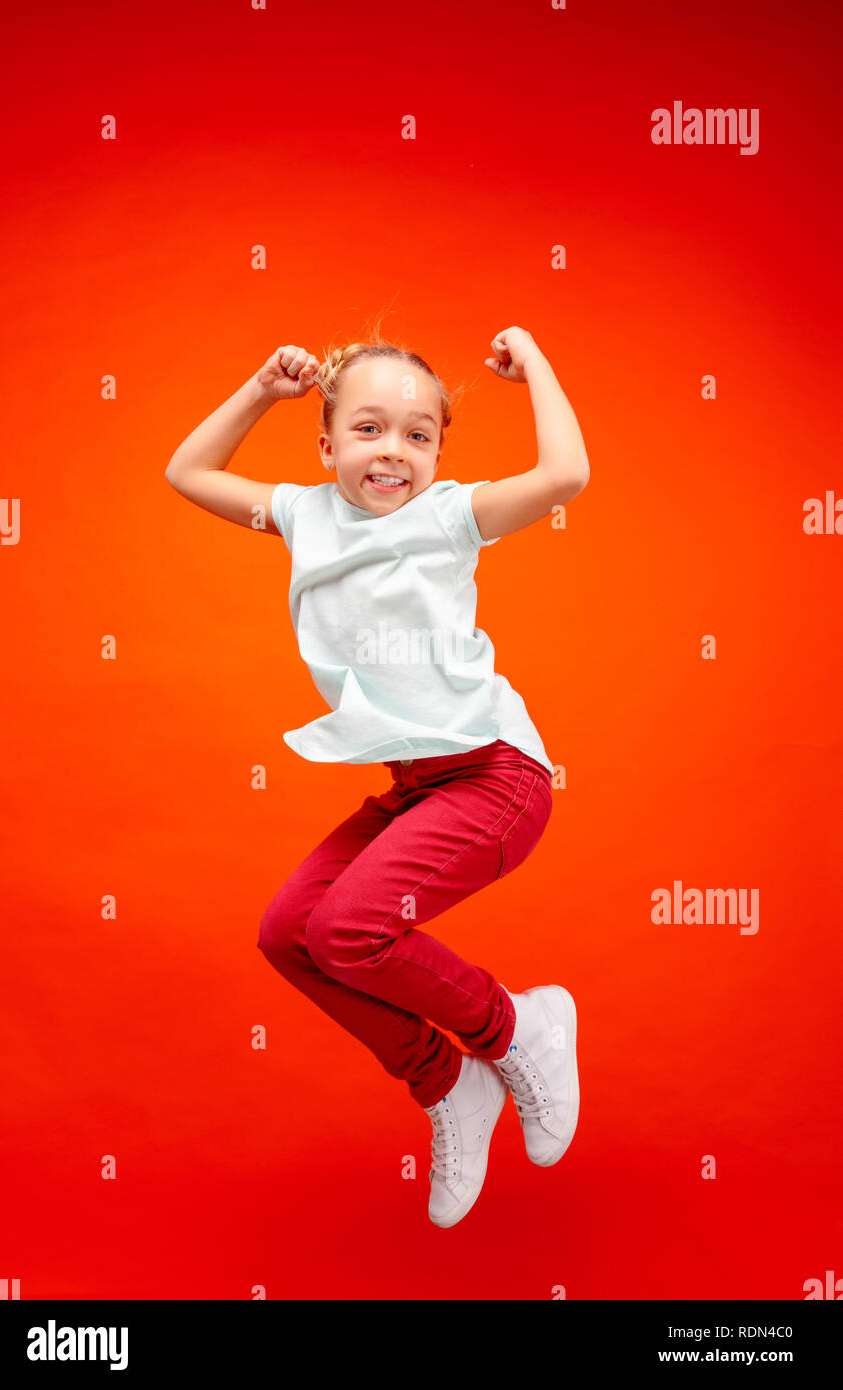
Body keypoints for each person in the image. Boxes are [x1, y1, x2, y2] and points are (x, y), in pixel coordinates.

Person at [165, 324, 590, 1228]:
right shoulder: (302, 513)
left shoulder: (449, 517)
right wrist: (259, 389)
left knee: (350, 929)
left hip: (496, 779)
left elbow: (565, 476)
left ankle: (521, 1029)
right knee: (289, 935)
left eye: (417, 435)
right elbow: (187, 473)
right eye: (367, 429)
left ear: (437, 455)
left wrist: (534, 362)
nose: (393, 450)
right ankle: (448, 1084)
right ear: (325, 446)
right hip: (417, 786)